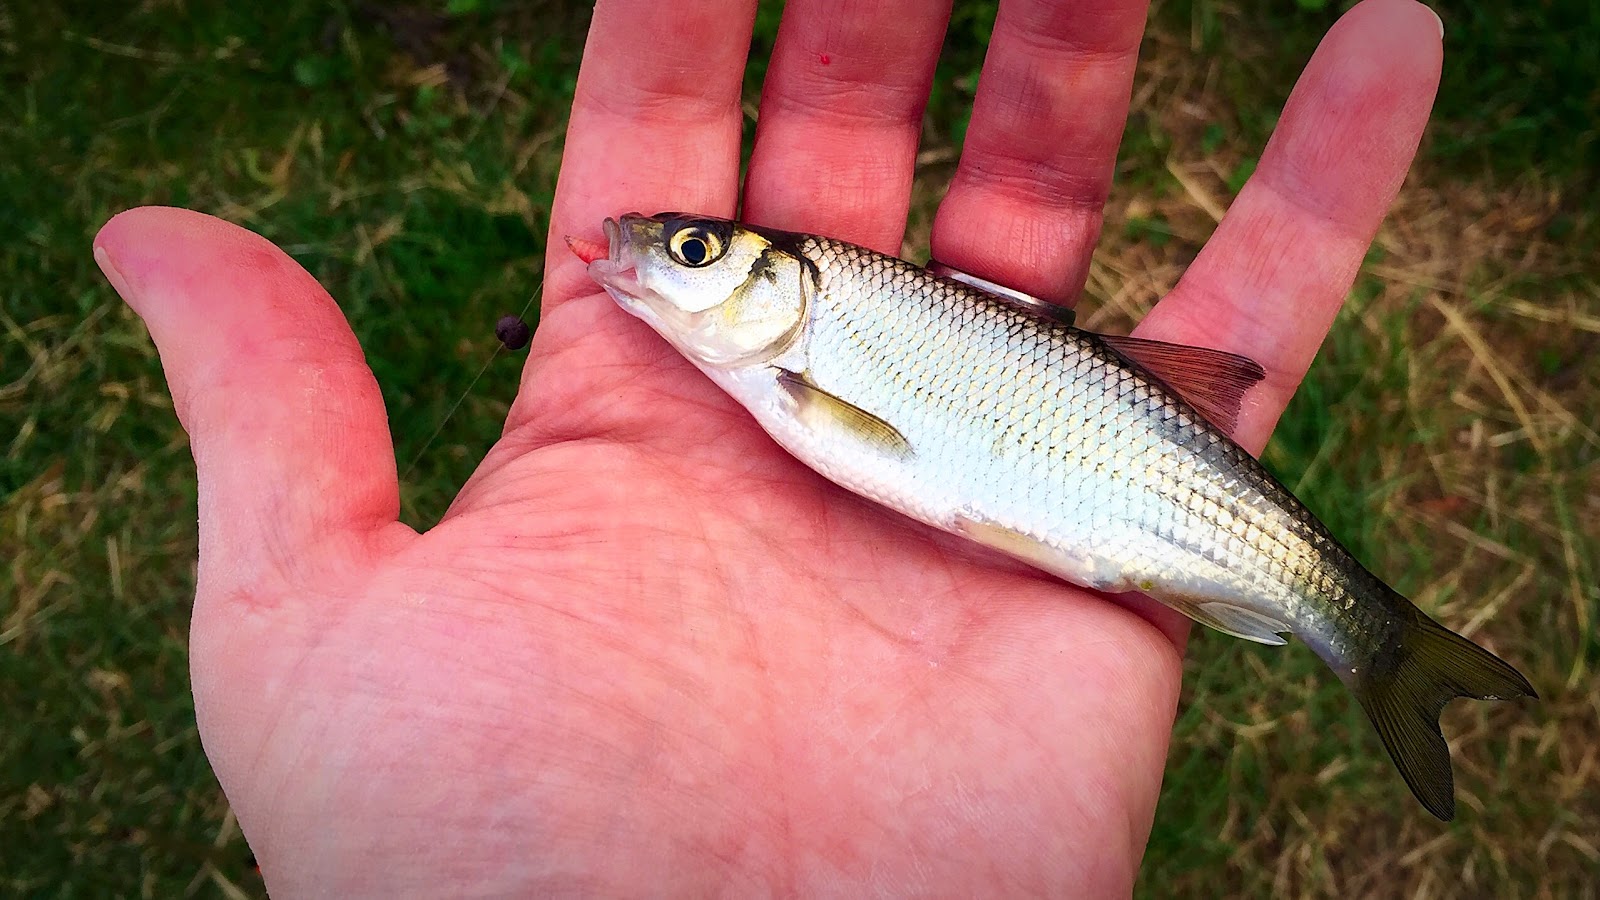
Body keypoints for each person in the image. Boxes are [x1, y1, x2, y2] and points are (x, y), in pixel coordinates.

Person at [92, 0, 1445, 894]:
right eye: (690, 243)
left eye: (695, 249)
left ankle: (1370, 634)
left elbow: (848, 421)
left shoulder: (807, 351)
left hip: (1110, 473)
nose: (656, 250)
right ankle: (1372, 637)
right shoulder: (782, 360)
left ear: (777, 289)